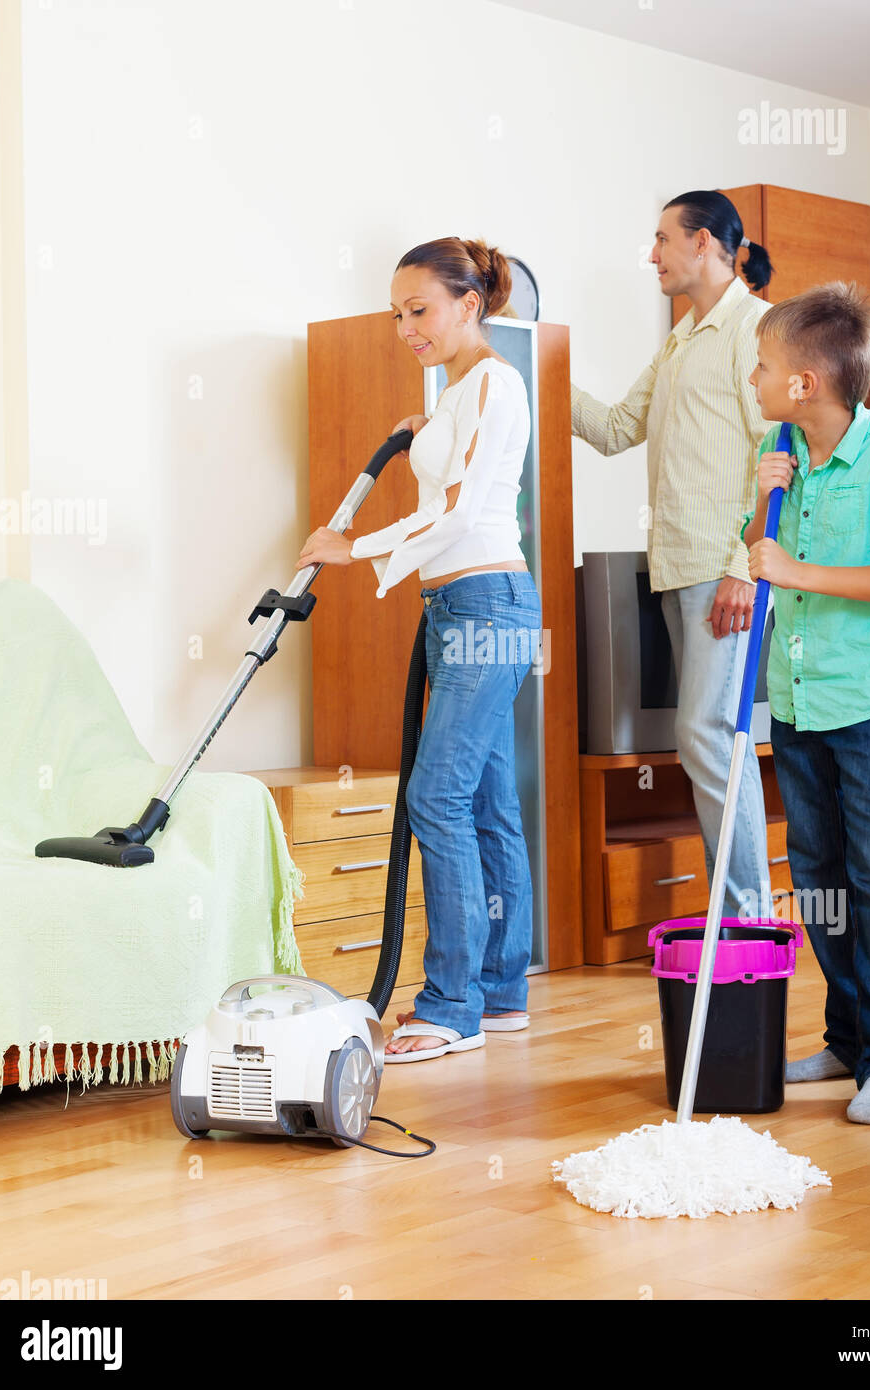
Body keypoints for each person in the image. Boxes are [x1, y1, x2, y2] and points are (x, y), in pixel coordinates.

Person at [298, 237, 541, 1062]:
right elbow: (456, 472)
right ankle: (502, 991)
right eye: (397, 313)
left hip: (485, 606)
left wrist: (351, 546)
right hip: (459, 609)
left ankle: (450, 1005)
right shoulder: (462, 392)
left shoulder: (497, 384)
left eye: (420, 310)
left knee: (436, 797)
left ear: (469, 305)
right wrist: (426, 425)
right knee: (485, 803)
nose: (406, 327)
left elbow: (463, 514)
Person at [743, 281, 870, 1124]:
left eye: (762, 368)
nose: (753, 381)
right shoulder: (792, 455)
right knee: (819, 880)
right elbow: (758, 558)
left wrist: (794, 571)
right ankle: (850, 1039)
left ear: (805, 383)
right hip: (796, 699)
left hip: (867, 701)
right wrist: (763, 497)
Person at [571, 190, 775, 919]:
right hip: (678, 571)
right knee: (713, 743)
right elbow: (617, 427)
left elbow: (774, 452)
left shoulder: (755, 331)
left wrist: (742, 567)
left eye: (662, 239)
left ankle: (747, 921)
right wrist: (536, 366)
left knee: (708, 737)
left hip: (725, 574)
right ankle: (745, 915)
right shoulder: (683, 338)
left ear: (708, 244)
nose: (651, 255)